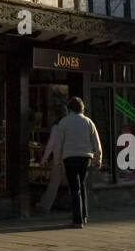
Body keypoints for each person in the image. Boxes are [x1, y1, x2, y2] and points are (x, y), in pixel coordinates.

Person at [43, 97, 101, 227]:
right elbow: (96, 143)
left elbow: (59, 144)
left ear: (69, 109)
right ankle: (84, 215)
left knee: (74, 188)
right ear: (82, 108)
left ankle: (77, 219)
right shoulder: (88, 122)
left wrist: (57, 161)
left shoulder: (64, 122)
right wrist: (98, 159)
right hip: (85, 158)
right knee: (82, 185)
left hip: (69, 158)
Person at [36, 104, 67, 214]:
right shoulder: (70, 124)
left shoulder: (57, 126)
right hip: (72, 157)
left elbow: (51, 144)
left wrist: (43, 159)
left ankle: (45, 206)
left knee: (53, 183)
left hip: (59, 159)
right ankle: (78, 207)